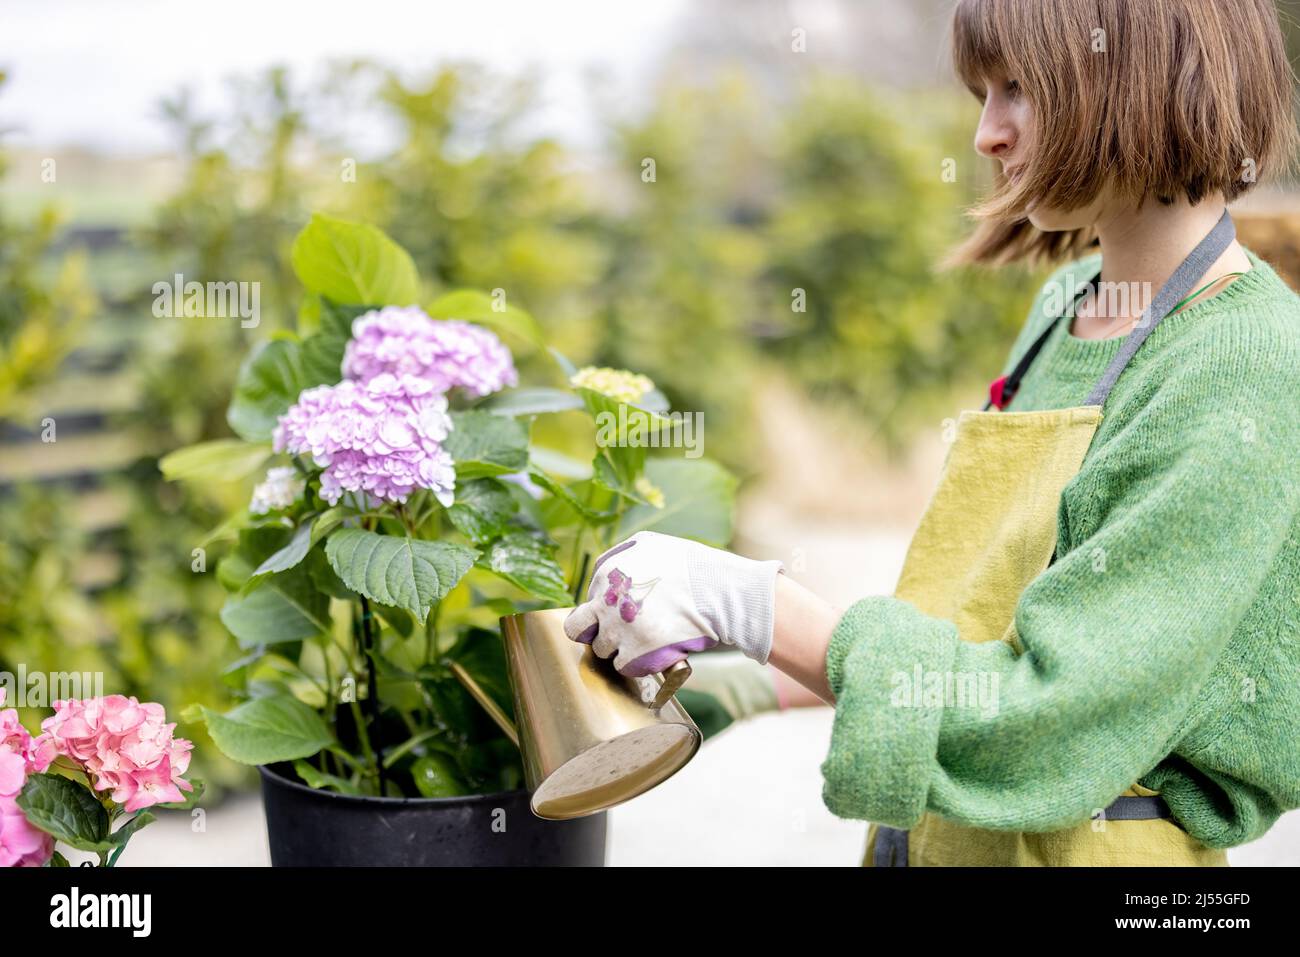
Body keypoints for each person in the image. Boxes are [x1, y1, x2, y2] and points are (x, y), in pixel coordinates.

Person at [565, 0, 1300, 866]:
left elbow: (1050, 717)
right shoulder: (1063, 308)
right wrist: (758, 681)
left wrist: (756, 603)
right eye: (981, 93)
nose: (988, 134)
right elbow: (979, 627)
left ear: (1137, 72)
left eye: (1017, 89)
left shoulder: (1246, 360)